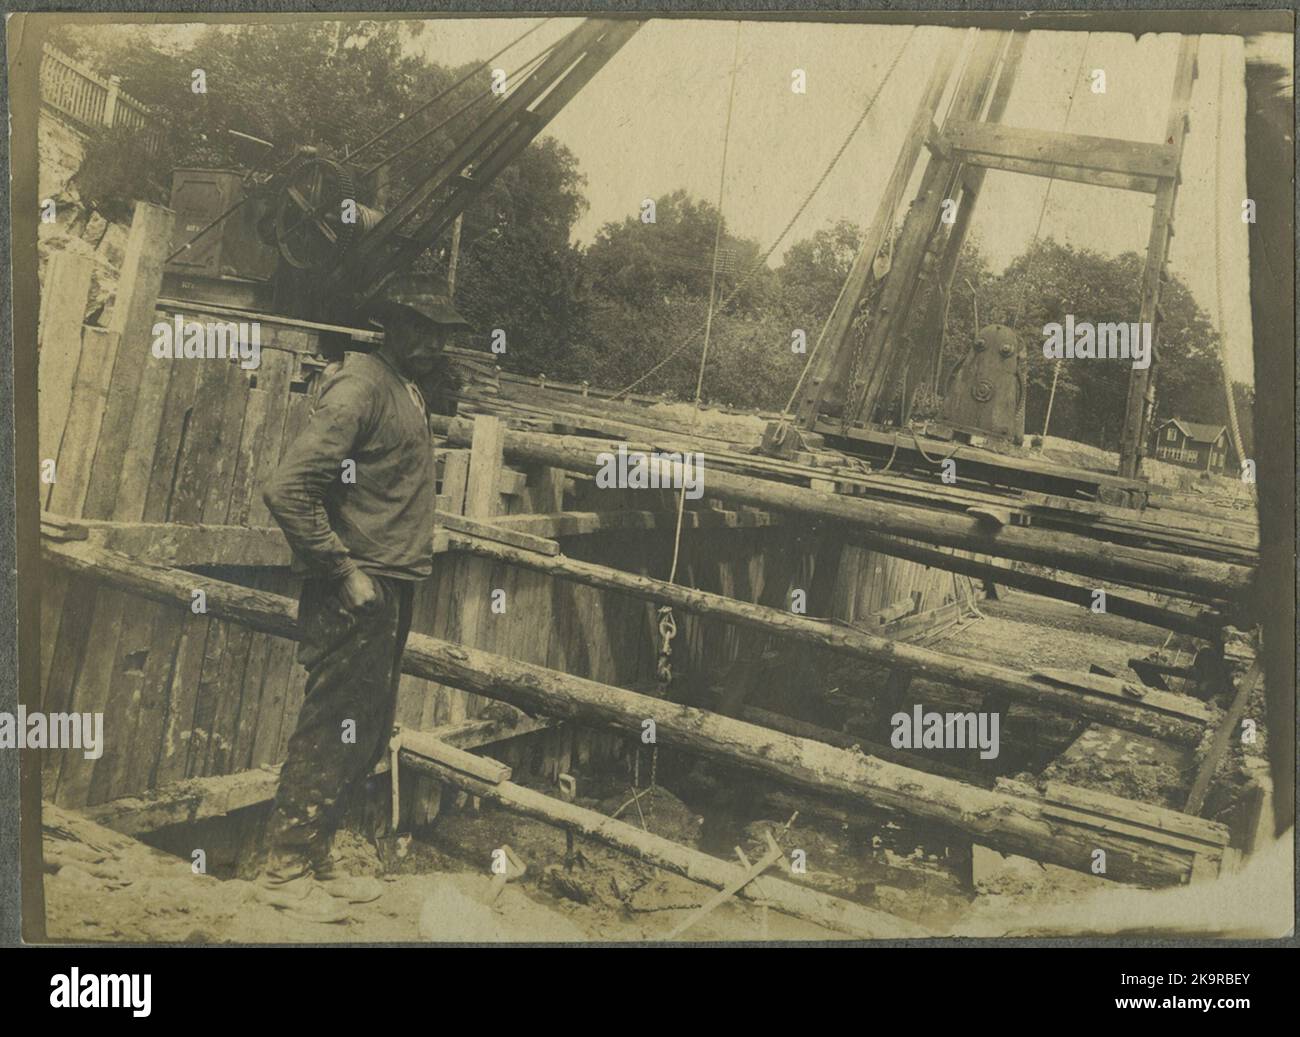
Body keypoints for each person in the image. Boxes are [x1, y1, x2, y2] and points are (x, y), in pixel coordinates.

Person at [256, 274, 469, 921]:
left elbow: (452, 395)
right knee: (331, 724)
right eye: (422, 329)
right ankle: (284, 864)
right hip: (355, 588)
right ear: (392, 325)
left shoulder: (407, 385)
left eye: (443, 334)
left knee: (365, 730)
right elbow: (287, 486)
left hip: (389, 586)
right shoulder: (361, 386)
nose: (434, 344)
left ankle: (315, 855)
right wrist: (342, 568)